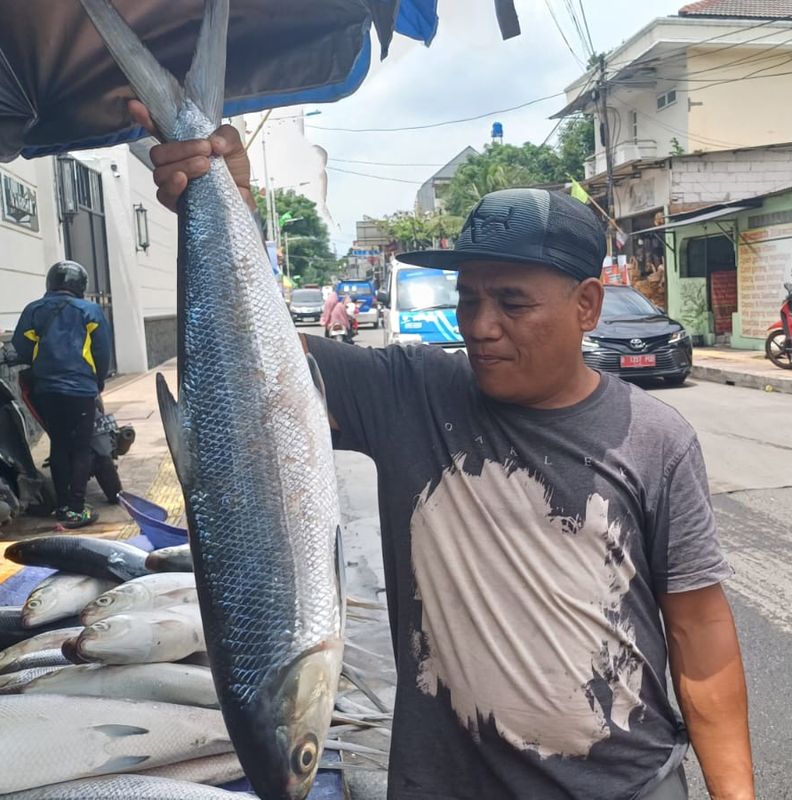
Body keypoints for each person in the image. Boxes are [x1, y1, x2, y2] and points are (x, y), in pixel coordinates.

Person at [139, 102, 755, 800]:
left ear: (587, 305)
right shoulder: (412, 393)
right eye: (469, 299)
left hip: (626, 787)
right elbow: (250, 364)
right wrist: (229, 205)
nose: (480, 327)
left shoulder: (656, 438)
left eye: (512, 303)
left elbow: (699, 633)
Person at [13, 261, 112, 529]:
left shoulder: (34, 309)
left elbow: (21, 346)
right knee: (80, 447)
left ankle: (62, 505)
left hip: (47, 389)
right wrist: (98, 380)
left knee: (58, 444)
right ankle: (76, 509)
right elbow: (102, 352)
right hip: (81, 389)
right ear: (81, 285)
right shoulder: (90, 311)